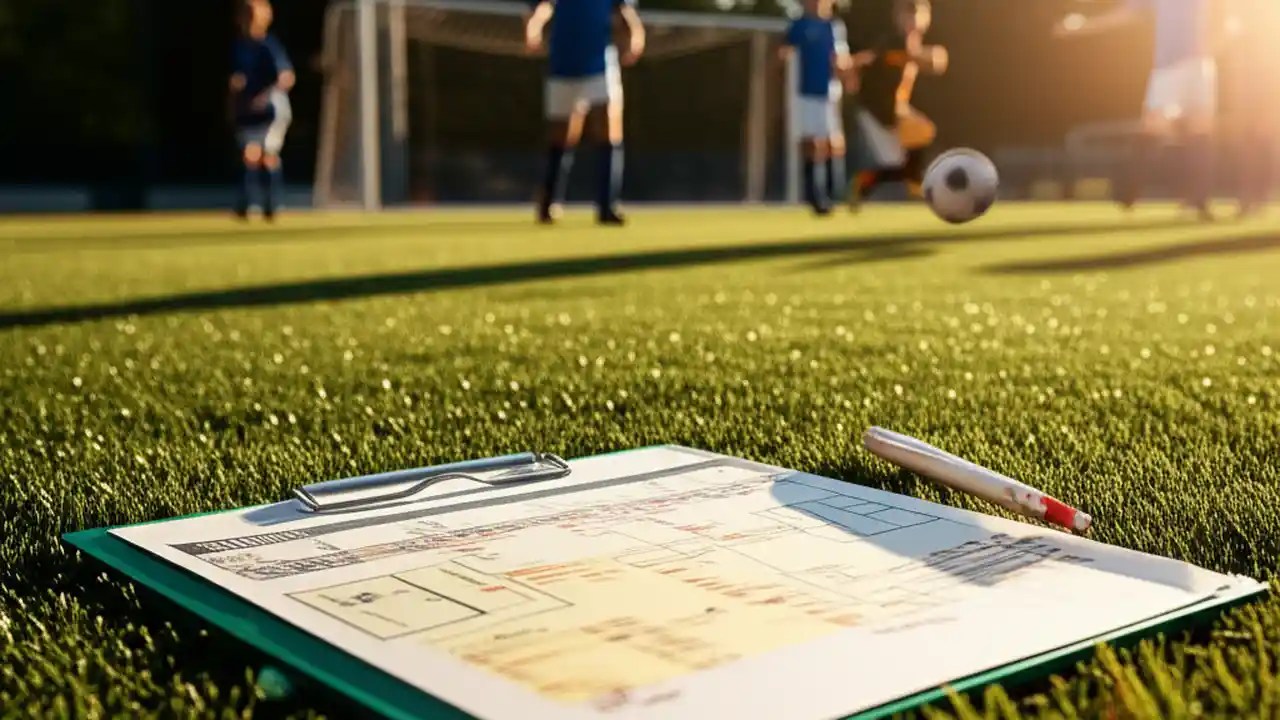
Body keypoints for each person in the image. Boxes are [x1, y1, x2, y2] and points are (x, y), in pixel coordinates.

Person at [1054, 0, 1224, 221]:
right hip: (1168, 66)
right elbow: (1125, 14)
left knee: (1200, 130)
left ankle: (1199, 201)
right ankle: (1128, 195)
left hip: (1201, 64)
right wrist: (1084, 25)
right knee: (1153, 128)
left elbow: (1222, 17)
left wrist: (1216, 43)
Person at [525, 0, 645, 226]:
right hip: (563, 63)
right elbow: (543, 7)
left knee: (608, 129)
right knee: (562, 135)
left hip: (599, 62)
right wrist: (534, 26)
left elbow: (624, 10)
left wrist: (635, 37)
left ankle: (607, 206)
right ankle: (548, 202)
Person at [846, 0, 948, 213]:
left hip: (897, 109)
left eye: (918, 15)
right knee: (894, 163)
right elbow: (877, 57)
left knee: (923, 132)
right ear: (898, 18)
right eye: (908, 16)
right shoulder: (893, 42)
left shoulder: (913, 44)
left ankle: (913, 183)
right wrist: (852, 69)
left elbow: (935, 61)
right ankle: (862, 183)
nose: (913, 20)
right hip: (877, 109)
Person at [780, 0, 861, 216]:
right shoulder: (799, 26)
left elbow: (841, 58)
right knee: (811, 142)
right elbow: (784, 51)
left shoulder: (835, 27)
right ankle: (814, 194)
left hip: (829, 94)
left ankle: (833, 192)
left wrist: (847, 72)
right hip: (805, 93)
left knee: (832, 144)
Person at [229, 0, 294, 221]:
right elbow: (237, 78)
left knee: (266, 155)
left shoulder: (269, 46)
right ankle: (247, 205)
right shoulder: (238, 46)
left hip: (271, 110)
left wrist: (264, 97)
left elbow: (286, 77)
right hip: (247, 111)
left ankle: (272, 205)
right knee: (249, 155)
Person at [1221, 0, 1279, 217]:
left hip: (1270, 79)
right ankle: (1247, 196)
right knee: (1248, 140)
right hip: (1247, 80)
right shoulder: (1239, 11)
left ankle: (1261, 196)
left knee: (1265, 137)